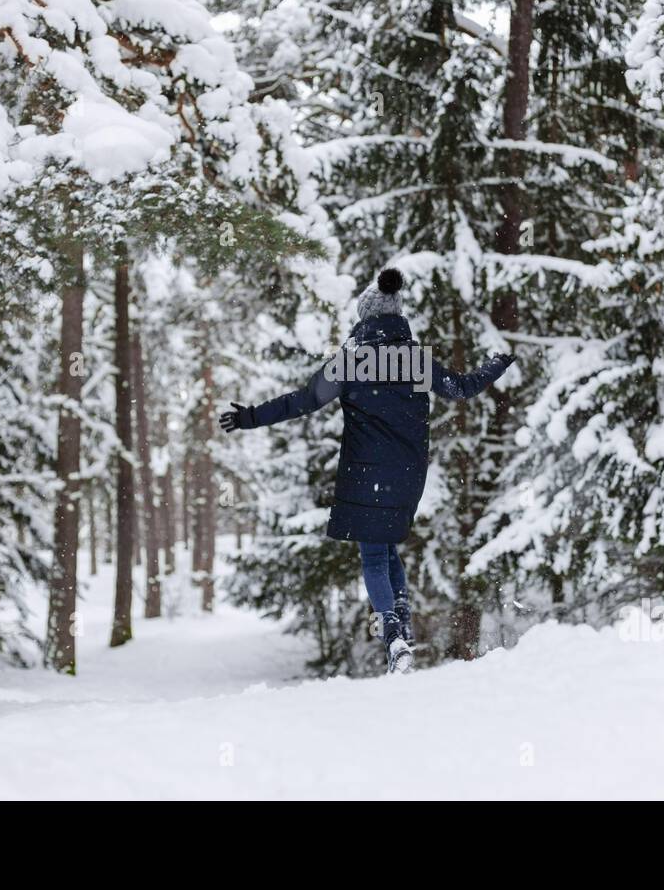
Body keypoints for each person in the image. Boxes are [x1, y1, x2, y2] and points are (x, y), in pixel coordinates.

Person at [220, 268, 514, 673]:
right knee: (387, 544)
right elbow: (461, 388)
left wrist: (251, 417)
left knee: (374, 552)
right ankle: (404, 634)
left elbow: (303, 401)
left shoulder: (350, 362)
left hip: (363, 472)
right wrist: (497, 365)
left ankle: (394, 638)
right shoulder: (416, 361)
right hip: (409, 474)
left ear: (364, 320)